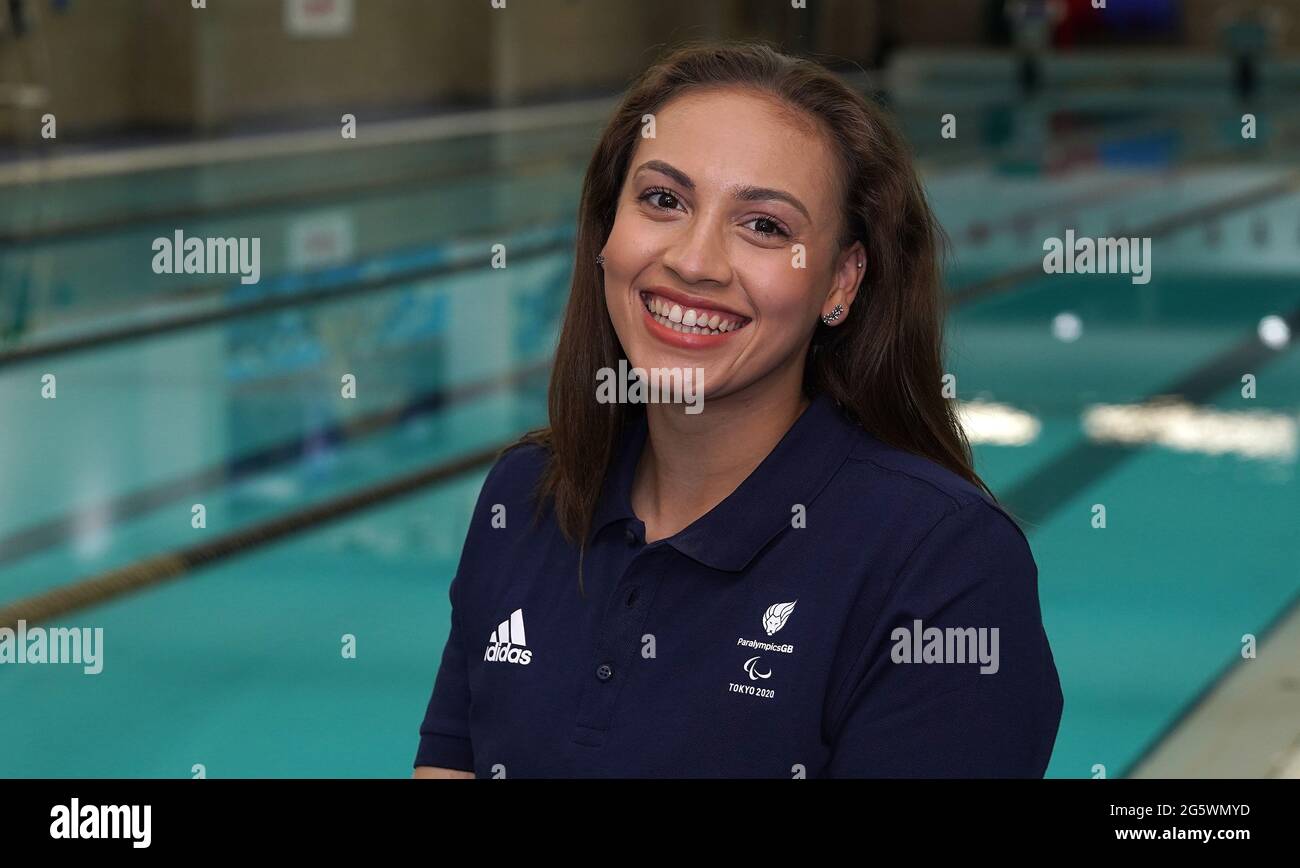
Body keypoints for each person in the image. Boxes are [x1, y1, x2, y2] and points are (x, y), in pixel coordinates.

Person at [413, 40, 1064, 779]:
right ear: (606, 230)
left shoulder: (944, 567)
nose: (694, 262)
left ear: (840, 282)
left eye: (764, 226)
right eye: (663, 200)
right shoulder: (526, 498)